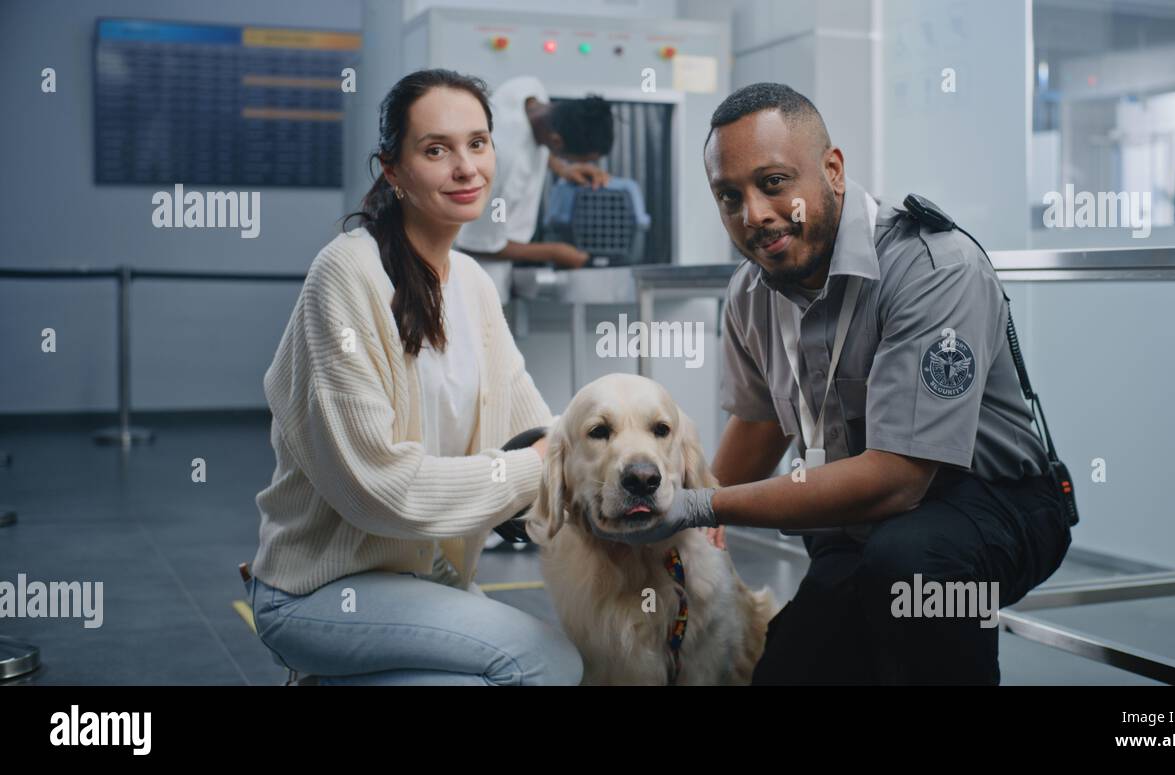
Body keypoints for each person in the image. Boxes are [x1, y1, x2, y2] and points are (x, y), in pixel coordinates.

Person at [592, 83, 1074, 685]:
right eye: (728, 195)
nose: (754, 214)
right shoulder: (749, 293)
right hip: (863, 529)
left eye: (773, 183)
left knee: (911, 571)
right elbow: (760, 425)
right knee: (789, 670)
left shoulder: (931, 268)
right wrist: (671, 519)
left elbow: (899, 479)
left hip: (992, 505)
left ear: (833, 170)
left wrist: (697, 505)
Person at [246, 69, 581, 685]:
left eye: (478, 143)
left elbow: (533, 426)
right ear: (392, 171)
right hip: (319, 592)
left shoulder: (474, 285)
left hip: (423, 584)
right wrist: (543, 461)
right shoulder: (347, 275)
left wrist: (638, 468)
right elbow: (379, 488)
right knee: (546, 663)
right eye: (437, 150)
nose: (466, 167)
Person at [454, 75, 615, 273]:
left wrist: (563, 169)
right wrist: (555, 252)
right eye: (572, 159)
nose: (570, 163)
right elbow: (475, 244)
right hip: (482, 271)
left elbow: (533, 140)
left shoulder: (528, 89)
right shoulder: (502, 165)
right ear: (556, 142)